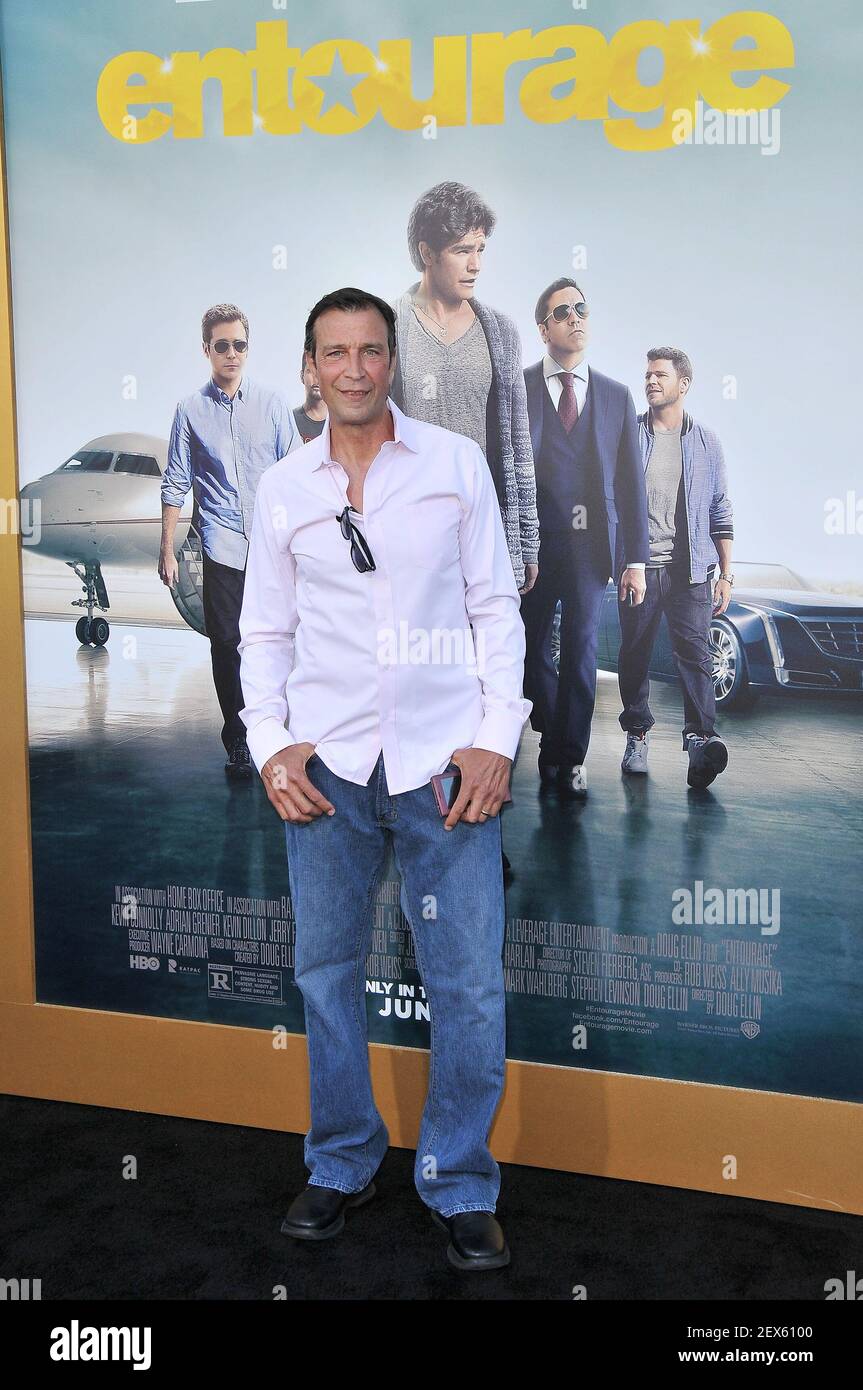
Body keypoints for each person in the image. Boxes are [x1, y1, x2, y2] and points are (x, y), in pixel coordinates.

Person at [237, 287, 531, 1271]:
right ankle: (340, 1162)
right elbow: (264, 631)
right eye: (335, 353)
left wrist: (497, 736)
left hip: (447, 770)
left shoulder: (452, 467)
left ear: (389, 360)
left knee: (468, 988)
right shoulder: (282, 487)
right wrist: (270, 740)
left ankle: (458, 1179)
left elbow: (496, 608)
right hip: (325, 767)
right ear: (310, 366)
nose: (354, 369)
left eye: (370, 350)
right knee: (325, 978)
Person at [159, 303, 300, 778]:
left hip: (272, 546)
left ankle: (277, 728)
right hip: (220, 546)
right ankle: (238, 738)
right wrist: (167, 551)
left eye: (240, 344)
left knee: (277, 638)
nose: (232, 353)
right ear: (207, 350)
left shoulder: (273, 404)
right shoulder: (190, 410)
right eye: (222, 345)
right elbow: (175, 481)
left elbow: (296, 470)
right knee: (227, 641)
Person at [521, 278, 649, 797]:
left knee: (580, 650)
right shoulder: (517, 386)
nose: (576, 317)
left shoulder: (616, 396)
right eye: (563, 311)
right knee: (526, 649)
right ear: (543, 328)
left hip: (589, 545)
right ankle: (553, 730)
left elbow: (631, 483)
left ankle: (569, 758)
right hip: (530, 544)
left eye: (582, 308)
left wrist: (635, 560)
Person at [389, 180, 539, 595]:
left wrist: (526, 542)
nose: (476, 265)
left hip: (484, 531)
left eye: (481, 250)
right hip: (411, 537)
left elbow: (518, 442)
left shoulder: (501, 332)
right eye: (462, 251)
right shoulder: (388, 327)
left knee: (485, 657)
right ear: (426, 253)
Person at [618, 348, 734, 789]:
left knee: (697, 659)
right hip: (640, 569)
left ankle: (702, 742)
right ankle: (637, 735)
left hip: (692, 572)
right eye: (646, 375)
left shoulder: (706, 442)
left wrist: (725, 574)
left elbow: (721, 511)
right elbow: (612, 502)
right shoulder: (629, 435)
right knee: (635, 655)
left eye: (660, 375)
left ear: (683, 385)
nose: (650, 381)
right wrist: (622, 559)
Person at [292, 351, 327, 441]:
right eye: (311, 371)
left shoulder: (342, 424)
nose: (316, 378)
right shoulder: (290, 421)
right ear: (301, 376)